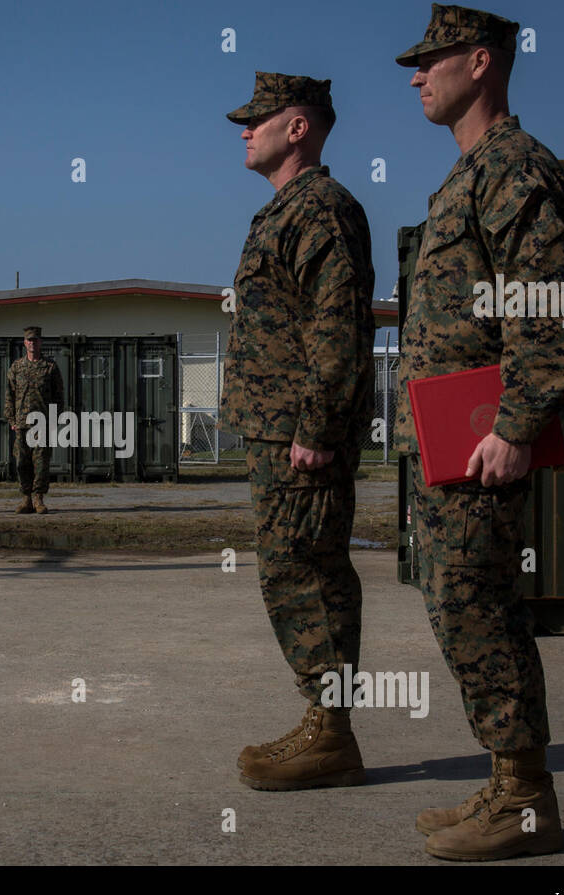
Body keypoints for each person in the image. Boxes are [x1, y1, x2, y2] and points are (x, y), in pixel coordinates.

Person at [394, 3, 564, 860]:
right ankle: (508, 782)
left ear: (479, 62)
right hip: (449, 444)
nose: (415, 74)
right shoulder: (468, 173)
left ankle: (526, 800)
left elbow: (541, 304)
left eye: (430, 60)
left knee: (479, 606)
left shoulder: (514, 167)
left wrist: (516, 424)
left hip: (482, 444)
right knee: (457, 602)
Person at [220, 73, 377, 791]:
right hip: (278, 431)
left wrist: (316, 424)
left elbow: (338, 324)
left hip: (300, 436)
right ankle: (329, 725)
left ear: (299, 128)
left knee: (299, 572)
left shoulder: (321, 209)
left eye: (258, 120)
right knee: (305, 570)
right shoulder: (286, 211)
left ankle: (328, 730)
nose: (244, 130)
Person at [5, 326, 65, 514]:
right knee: (21, 462)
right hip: (21, 423)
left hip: (42, 423)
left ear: (41, 342)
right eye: (29, 340)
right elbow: (9, 395)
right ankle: (26, 498)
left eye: (36, 340)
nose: (32, 343)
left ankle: (38, 498)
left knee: (41, 463)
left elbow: (59, 396)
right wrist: (11, 418)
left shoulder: (50, 367)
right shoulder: (17, 367)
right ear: (25, 343)